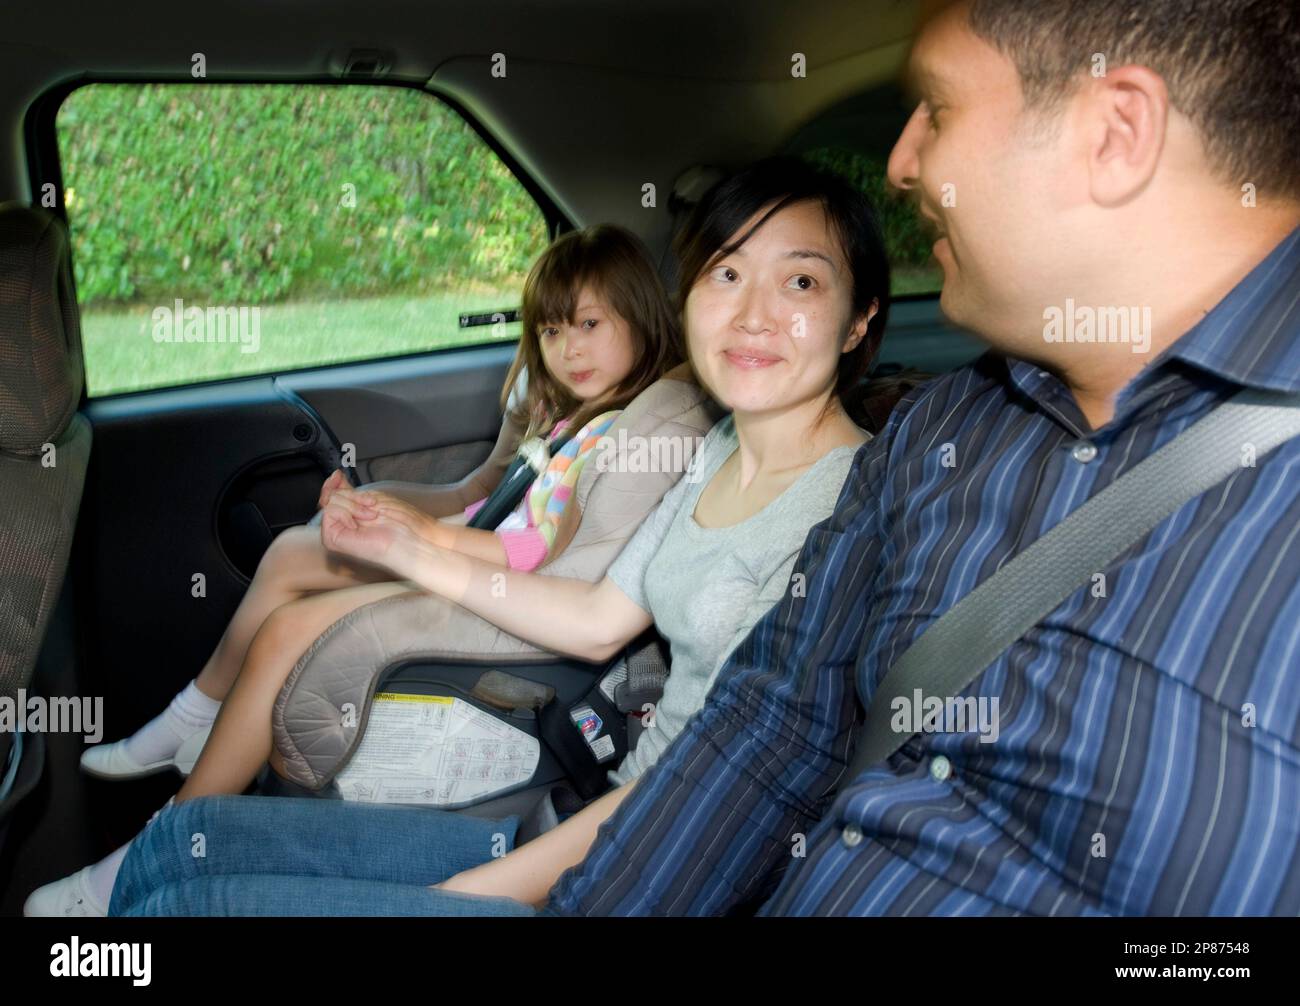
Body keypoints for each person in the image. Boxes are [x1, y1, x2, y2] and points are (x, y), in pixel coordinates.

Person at [539, 0, 1300, 916]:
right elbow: (775, 727)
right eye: (725, 275)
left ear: (1115, 133)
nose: (900, 163)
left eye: (936, 110)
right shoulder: (943, 429)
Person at [102, 155, 893, 916]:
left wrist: (461, 899)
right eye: (726, 273)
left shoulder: (844, 509)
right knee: (184, 843)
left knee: (189, 904)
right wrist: (411, 548)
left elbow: (714, 793)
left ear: (859, 321)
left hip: (636, 871)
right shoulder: (718, 449)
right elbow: (595, 623)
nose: (752, 313)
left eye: (801, 280)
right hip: (594, 817)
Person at [25, 223, 684, 915]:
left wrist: (421, 540)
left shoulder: (623, 433)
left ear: (640, 317)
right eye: (552, 331)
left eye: (588, 324)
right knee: (288, 553)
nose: (569, 347)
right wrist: (386, 512)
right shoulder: (563, 416)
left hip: (494, 597)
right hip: (467, 559)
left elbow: (538, 553)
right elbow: (488, 502)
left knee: (285, 629)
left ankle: (156, 837)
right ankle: (195, 719)